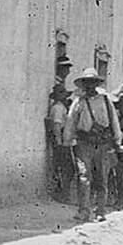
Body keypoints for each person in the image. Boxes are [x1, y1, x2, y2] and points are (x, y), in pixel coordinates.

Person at [67, 67, 122, 221]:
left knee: (102, 178)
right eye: (87, 83)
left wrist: (117, 141)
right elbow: (71, 122)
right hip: (84, 143)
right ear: (83, 85)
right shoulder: (78, 102)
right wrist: (67, 141)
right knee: (84, 176)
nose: (89, 86)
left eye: (92, 83)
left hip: (103, 144)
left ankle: (100, 211)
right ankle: (84, 211)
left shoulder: (106, 100)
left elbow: (114, 121)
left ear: (96, 84)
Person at [46, 58, 76, 202]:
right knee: (66, 168)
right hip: (61, 141)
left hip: (64, 141)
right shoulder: (58, 108)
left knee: (66, 168)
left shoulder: (60, 107)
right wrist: (59, 141)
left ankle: (63, 194)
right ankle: (62, 195)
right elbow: (57, 125)